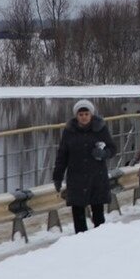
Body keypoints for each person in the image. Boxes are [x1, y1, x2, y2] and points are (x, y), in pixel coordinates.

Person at [52, 99, 117, 233]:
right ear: (76, 116)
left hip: (96, 177)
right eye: (81, 115)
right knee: (78, 212)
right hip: (76, 177)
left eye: (86, 114)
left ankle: (100, 238)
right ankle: (80, 241)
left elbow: (112, 148)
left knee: (98, 212)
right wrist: (57, 176)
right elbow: (62, 155)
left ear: (91, 114)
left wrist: (103, 153)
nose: (84, 117)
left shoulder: (100, 128)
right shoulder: (69, 131)